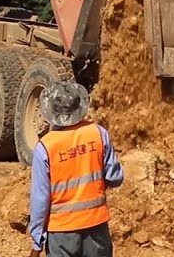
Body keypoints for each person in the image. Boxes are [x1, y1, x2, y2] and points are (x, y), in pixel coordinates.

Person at [28, 80, 124, 257]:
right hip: (96, 226)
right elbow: (115, 178)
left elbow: (40, 200)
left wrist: (36, 242)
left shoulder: (45, 147)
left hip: (62, 231)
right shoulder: (98, 133)